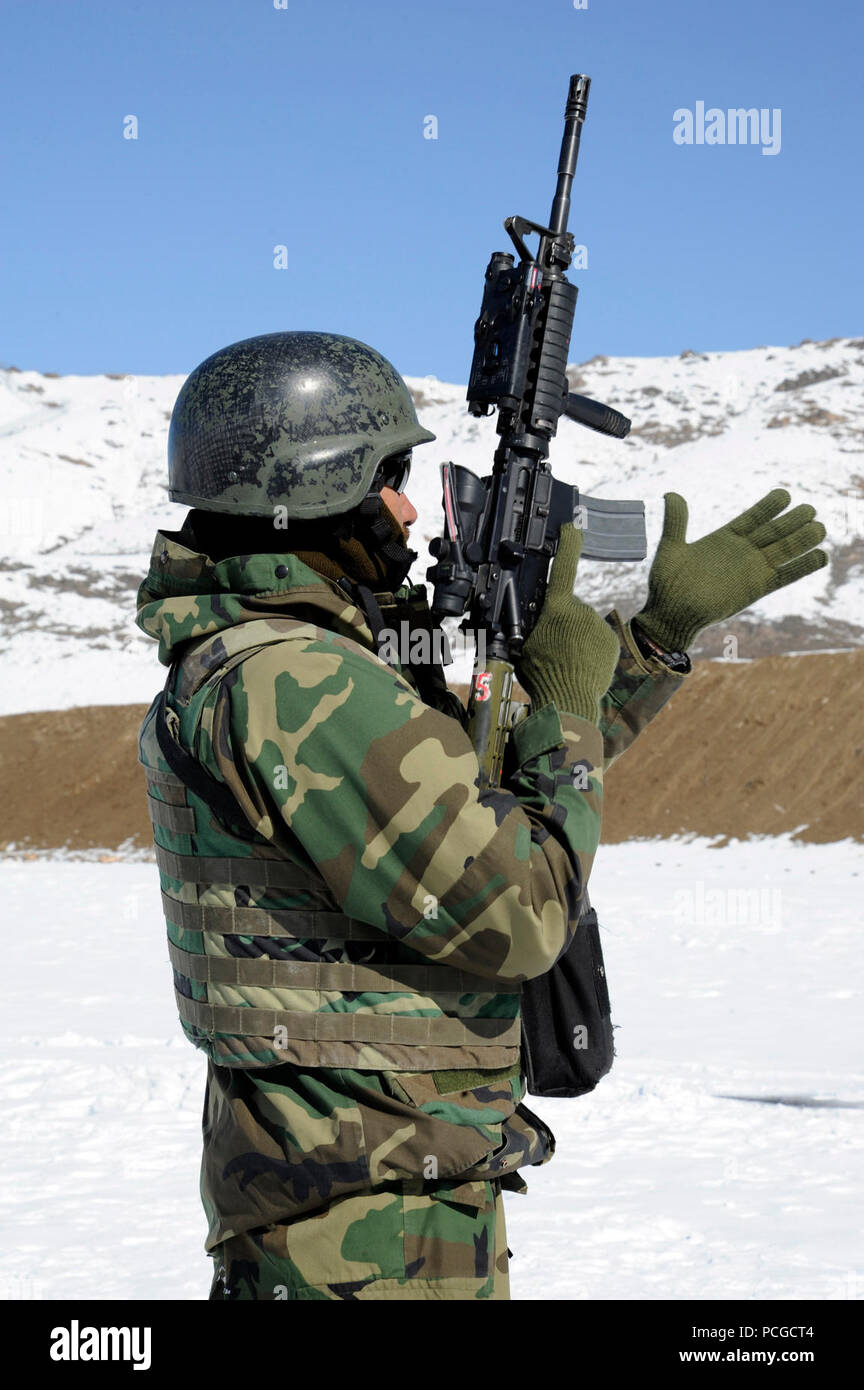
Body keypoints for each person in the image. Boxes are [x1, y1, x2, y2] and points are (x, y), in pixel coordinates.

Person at [136, 330, 826, 1301]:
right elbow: (523, 909)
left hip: (357, 1215)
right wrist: (572, 706)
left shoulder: (261, 662)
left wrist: (655, 639)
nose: (408, 509)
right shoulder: (303, 683)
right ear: (319, 486)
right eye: (390, 478)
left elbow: (479, 799)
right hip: (372, 1245)